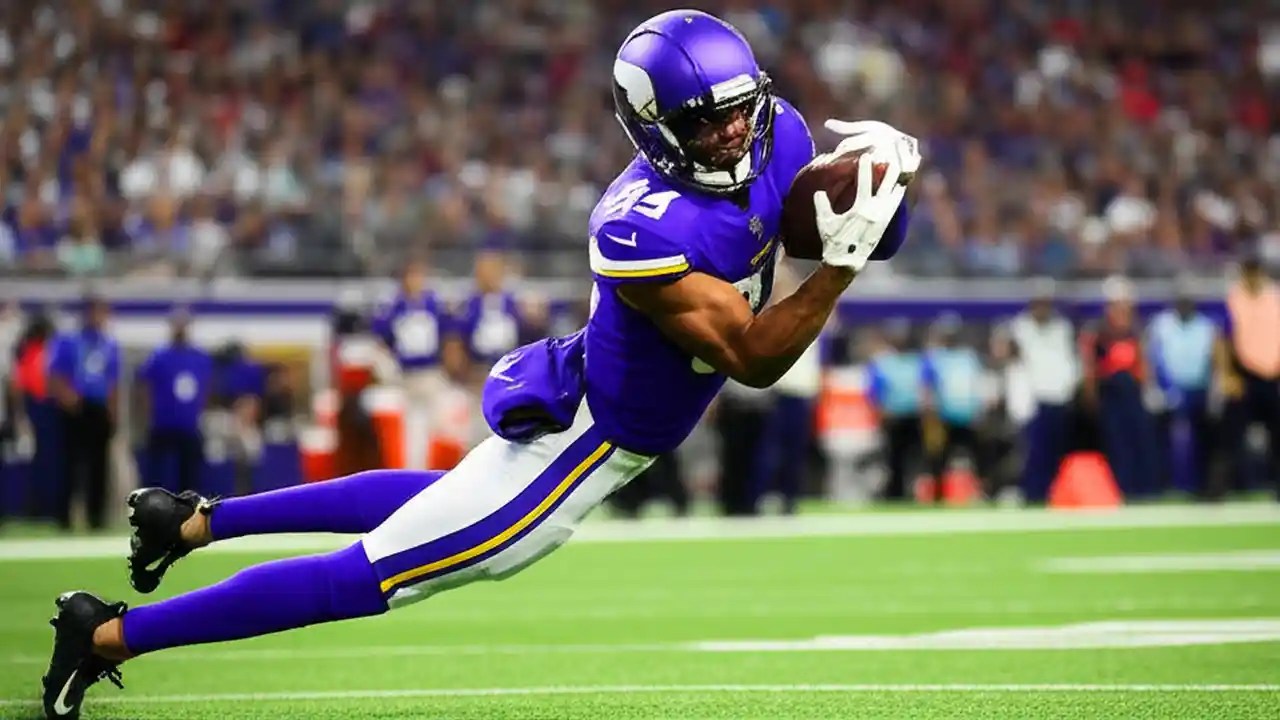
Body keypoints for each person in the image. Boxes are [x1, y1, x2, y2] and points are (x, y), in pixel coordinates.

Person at [38, 11, 920, 719]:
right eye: (707, 120)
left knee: (435, 502)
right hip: (592, 441)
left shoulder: (783, 132)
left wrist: (882, 185)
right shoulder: (638, 226)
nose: (734, 133)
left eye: (741, 107)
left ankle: (193, 523)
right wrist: (841, 263)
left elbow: (848, 225)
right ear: (651, 128)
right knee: (371, 577)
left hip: (595, 392)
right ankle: (111, 634)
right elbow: (756, 356)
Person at [1079, 277, 1158, 498]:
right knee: (1117, 443)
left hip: (1132, 391)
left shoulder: (1135, 330)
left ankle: (1145, 488)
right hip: (1111, 392)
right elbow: (1091, 366)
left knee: (1140, 440)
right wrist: (1092, 392)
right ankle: (1122, 488)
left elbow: (1143, 363)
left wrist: (1147, 385)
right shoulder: (1098, 332)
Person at [47, 296, 121, 530]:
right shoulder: (70, 341)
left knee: (98, 467)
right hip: (75, 407)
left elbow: (113, 381)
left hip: (98, 408)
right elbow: (55, 373)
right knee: (69, 464)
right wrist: (66, 396)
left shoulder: (109, 344)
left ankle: (95, 516)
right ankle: (63, 517)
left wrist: (112, 410)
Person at [371, 257, 451, 470]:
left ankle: (440, 470)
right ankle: (414, 471)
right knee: (411, 431)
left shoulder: (433, 302)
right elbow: (380, 338)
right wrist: (388, 366)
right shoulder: (394, 305)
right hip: (406, 375)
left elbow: (446, 335)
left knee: (440, 425)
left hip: (431, 372)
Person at [1008, 281, 1079, 503]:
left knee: (1056, 451)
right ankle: (1033, 493)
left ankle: (1053, 492)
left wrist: (1070, 387)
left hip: (1058, 397)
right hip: (1034, 399)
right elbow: (1017, 365)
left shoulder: (1061, 328)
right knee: (1033, 452)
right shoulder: (1020, 328)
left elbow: (1069, 361)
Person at [1146, 281, 1218, 496]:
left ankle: (1199, 485)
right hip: (1169, 389)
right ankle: (1164, 485)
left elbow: (1214, 359)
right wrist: (1157, 387)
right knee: (1165, 442)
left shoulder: (1206, 326)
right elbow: (1152, 357)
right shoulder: (1161, 324)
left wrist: (1215, 390)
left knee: (1201, 441)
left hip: (1198, 389)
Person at [1220, 256, 1280, 498]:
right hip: (1244, 376)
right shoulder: (1236, 299)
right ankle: (1220, 487)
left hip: (1272, 375)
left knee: (1277, 436)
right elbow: (1225, 340)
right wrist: (1229, 374)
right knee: (1231, 435)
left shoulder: (1273, 298)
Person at [137, 309, 212, 495]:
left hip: (189, 426)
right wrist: (148, 415)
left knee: (190, 476)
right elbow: (144, 387)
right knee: (157, 475)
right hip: (162, 425)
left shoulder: (199, 357)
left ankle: (188, 514)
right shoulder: (159, 356)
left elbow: (207, 387)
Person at [920, 314, 987, 501]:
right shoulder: (934, 357)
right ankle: (938, 494)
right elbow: (926, 388)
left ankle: (979, 492)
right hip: (943, 416)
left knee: (976, 456)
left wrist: (979, 409)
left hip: (966, 414)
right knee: (939, 458)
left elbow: (977, 384)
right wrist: (929, 413)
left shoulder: (968, 357)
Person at [866, 319, 925, 500]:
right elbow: (873, 391)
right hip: (892, 417)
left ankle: (910, 491)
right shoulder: (883, 362)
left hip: (911, 414)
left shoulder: (916, 361)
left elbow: (923, 387)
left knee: (912, 457)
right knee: (893, 458)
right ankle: (894, 492)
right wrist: (880, 411)